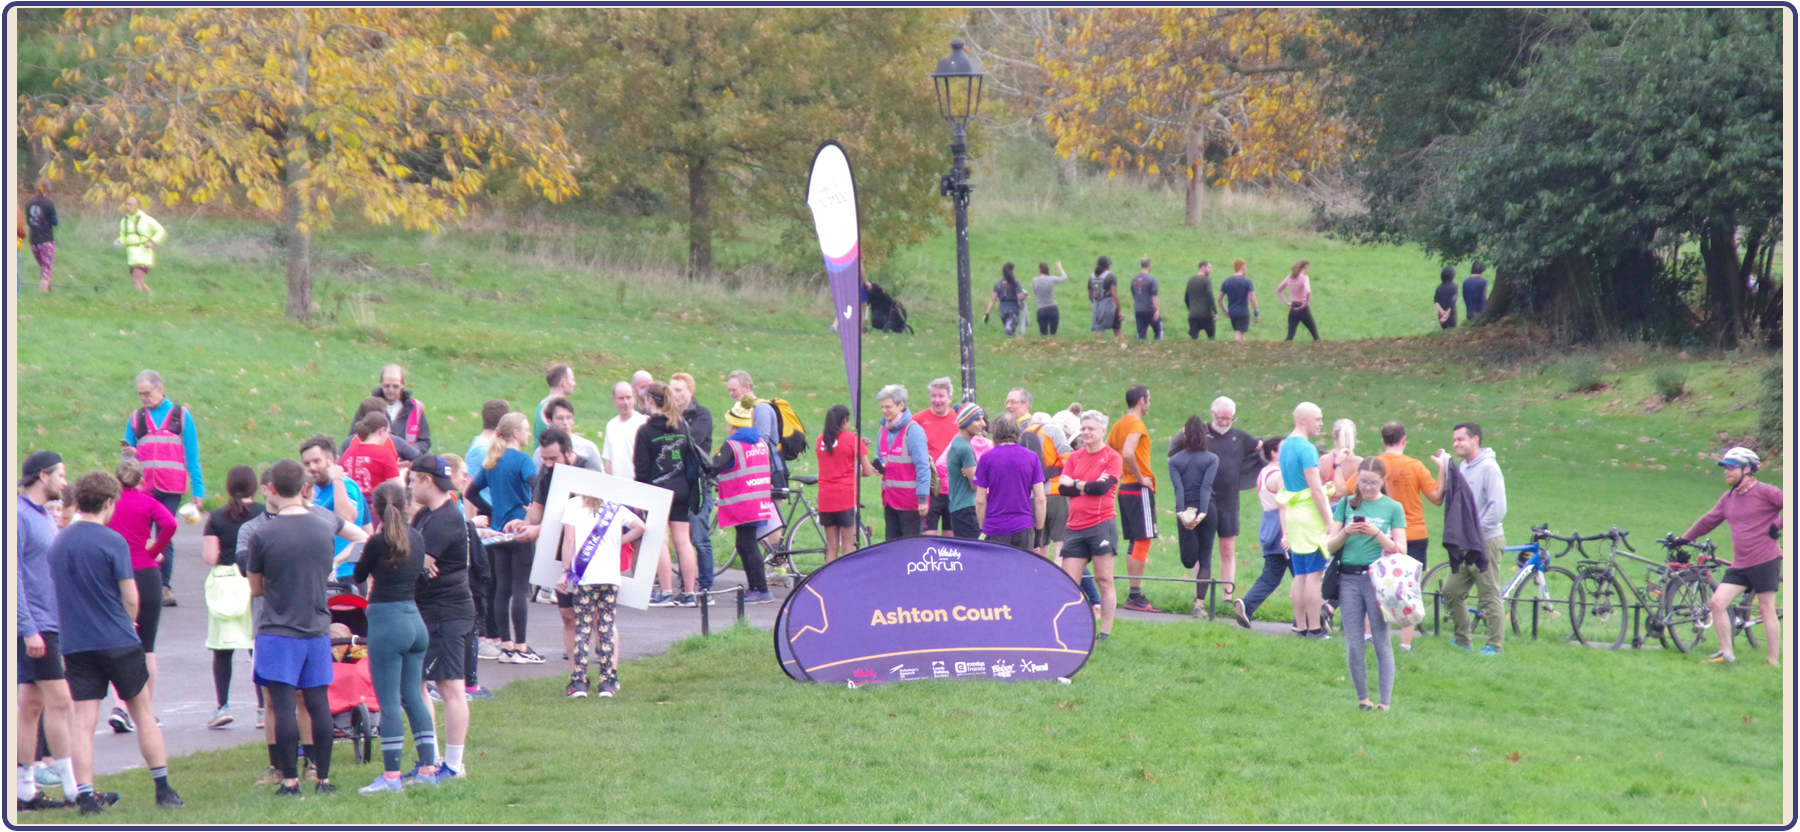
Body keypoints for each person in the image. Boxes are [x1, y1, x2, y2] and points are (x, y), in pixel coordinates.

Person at [49, 471, 184, 813]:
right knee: (142, 712)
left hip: (77, 643)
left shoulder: (60, 541)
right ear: (109, 503)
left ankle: (85, 796)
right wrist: (127, 620)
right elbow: (130, 596)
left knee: (83, 721)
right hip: (118, 640)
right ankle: (163, 787)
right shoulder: (112, 541)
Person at [245, 458, 370, 796]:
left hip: (276, 629)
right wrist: (336, 563)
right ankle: (324, 779)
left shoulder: (262, 533)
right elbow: (361, 536)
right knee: (317, 704)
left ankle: (289, 781)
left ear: (271, 489)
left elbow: (255, 587)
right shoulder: (323, 524)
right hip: (316, 626)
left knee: (283, 705)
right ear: (305, 487)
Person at [352, 482, 441, 794]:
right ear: (407, 505)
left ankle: (391, 778)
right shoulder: (416, 538)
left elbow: (360, 576)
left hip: (387, 623)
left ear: (375, 509)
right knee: (413, 697)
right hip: (414, 621)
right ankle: (428, 769)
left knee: (389, 703)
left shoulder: (377, 542)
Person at [17, 451, 80, 810]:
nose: (64, 482)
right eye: (60, 475)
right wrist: (28, 629)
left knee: (31, 705)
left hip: (49, 622)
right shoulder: (18, 516)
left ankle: (23, 790)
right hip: (36, 626)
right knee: (60, 701)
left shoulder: (44, 516)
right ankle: (74, 788)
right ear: (43, 476)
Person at [1679, 447, 1783, 666]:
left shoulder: (1765, 491)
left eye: (1731, 468)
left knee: (1766, 609)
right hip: (1741, 563)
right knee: (1717, 603)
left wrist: (1777, 525)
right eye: (1725, 468)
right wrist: (1684, 539)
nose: (1726, 472)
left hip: (1765, 558)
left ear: (1747, 469)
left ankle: (1772, 662)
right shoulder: (1728, 498)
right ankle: (1727, 655)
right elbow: (1708, 520)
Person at [408, 455, 478, 778]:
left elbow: (411, 565)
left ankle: (453, 765)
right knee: (417, 683)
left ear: (428, 481)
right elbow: (411, 559)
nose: (409, 486)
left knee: (450, 686)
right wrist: (415, 560)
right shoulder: (425, 515)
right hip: (427, 611)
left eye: (412, 480)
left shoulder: (447, 518)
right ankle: (429, 759)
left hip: (448, 613)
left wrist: (415, 561)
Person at [1325, 458, 1406, 711]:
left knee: (1381, 641)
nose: (1367, 487)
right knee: (1354, 643)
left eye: (1372, 482)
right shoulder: (1346, 504)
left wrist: (1377, 534)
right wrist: (1346, 531)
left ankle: (1385, 702)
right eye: (1362, 482)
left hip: (1377, 581)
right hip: (1348, 579)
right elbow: (1329, 546)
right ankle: (1363, 699)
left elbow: (1400, 549)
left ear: (1383, 481)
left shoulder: (1393, 507)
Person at [122, 369, 204, 607]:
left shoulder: (182, 416)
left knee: (164, 536)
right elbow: (127, 456)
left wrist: (197, 489)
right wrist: (128, 454)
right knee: (140, 535)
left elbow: (192, 454)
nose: (144, 398)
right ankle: (139, 582)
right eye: (140, 394)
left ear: (161, 389)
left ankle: (164, 586)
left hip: (171, 487)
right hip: (143, 487)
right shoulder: (136, 418)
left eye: (147, 393)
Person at [104, 459, 177, 726]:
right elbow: (169, 523)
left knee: (118, 642)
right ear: (140, 479)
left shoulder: (109, 503)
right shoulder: (147, 502)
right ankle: (144, 711)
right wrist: (154, 551)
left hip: (116, 573)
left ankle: (119, 706)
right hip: (146, 572)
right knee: (147, 646)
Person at [512, 428, 588, 663]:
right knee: (567, 614)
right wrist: (523, 524)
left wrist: (538, 530)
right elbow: (537, 509)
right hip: (560, 553)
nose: (548, 464)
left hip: (588, 551)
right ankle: (577, 672)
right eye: (544, 458)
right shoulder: (547, 473)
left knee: (594, 616)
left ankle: (606, 669)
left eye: (553, 458)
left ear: (569, 451)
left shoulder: (588, 472)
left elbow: (583, 519)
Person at [472, 412, 543, 661]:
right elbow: (536, 485)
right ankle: (521, 646)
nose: (528, 433)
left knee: (502, 588)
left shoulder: (492, 460)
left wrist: (493, 512)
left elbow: (470, 492)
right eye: (525, 429)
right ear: (516, 433)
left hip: (499, 532)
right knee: (520, 589)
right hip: (521, 530)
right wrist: (531, 508)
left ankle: (505, 645)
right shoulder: (524, 460)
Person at [558, 494, 644, 698]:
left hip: (586, 577)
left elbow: (569, 540)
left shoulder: (573, 504)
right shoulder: (614, 505)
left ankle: (579, 681)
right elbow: (640, 526)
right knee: (605, 628)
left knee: (583, 627)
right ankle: (607, 682)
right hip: (610, 577)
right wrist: (619, 541)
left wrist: (564, 571)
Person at [1433, 422, 1508, 655]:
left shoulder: (1489, 468)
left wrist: (1475, 532)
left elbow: (1498, 509)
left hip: (1486, 542)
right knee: (1451, 590)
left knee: (1489, 595)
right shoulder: (1464, 467)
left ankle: (1494, 646)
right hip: (1467, 543)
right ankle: (1463, 640)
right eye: (1454, 440)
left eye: (1460, 440)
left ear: (1475, 440)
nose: (1456, 444)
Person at [1376, 422, 1449, 651]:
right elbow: (1437, 497)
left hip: (1382, 532)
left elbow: (1346, 489)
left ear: (1383, 441)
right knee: (1409, 587)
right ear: (1404, 440)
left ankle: (1372, 635)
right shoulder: (1414, 466)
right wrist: (1443, 468)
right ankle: (1405, 643)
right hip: (1414, 533)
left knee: (1377, 583)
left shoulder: (1374, 465)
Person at [200, 465, 262, 729]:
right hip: (252, 578)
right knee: (256, 646)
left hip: (225, 583)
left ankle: (222, 706)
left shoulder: (216, 517)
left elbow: (210, 557)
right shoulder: (262, 513)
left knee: (222, 649)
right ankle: (263, 708)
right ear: (254, 487)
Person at [634, 384, 702, 605]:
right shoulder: (681, 425)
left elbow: (641, 468)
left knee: (660, 541)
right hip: (682, 489)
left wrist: (640, 497)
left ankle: (665, 592)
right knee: (683, 541)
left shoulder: (646, 431)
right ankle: (690, 593)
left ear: (651, 401)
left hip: (657, 491)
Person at [1058, 410, 1123, 640]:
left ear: (1102, 431)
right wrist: (1085, 485)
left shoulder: (1112, 458)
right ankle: (1071, 630)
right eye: (1083, 428)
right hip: (1074, 526)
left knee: (1104, 580)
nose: (1085, 432)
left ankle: (1104, 632)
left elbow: (1101, 489)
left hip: (1101, 525)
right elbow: (1062, 488)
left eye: (1090, 428)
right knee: (1068, 583)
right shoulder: (1074, 457)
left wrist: (1076, 483)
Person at [714, 396, 779, 605]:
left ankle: (761, 589)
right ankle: (755, 588)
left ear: (732, 425)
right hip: (758, 500)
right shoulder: (760, 442)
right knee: (745, 544)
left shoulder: (731, 445)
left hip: (742, 503)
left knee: (748, 545)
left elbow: (715, 466)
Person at [1205, 397, 1262, 625]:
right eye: (1221, 418)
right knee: (1203, 549)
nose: (1225, 422)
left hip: (1229, 501)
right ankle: (1200, 596)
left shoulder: (1240, 437)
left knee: (1228, 549)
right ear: (1212, 414)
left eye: (1229, 418)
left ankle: (1227, 597)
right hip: (1204, 500)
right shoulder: (1201, 434)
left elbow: (1264, 447)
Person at [1279, 402, 1333, 638]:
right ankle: (1315, 627)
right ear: (1303, 420)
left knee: (1300, 573)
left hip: (1293, 513)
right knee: (1315, 575)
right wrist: (1328, 521)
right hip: (1310, 514)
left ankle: (1300, 626)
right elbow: (1315, 489)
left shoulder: (1285, 445)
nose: (1321, 423)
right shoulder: (1307, 448)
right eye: (1318, 419)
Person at [1108, 385, 1160, 612]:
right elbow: (1128, 452)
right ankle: (1135, 595)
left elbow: (1109, 451)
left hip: (1124, 488)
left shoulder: (1119, 424)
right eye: (1149, 399)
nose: (1150, 403)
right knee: (1143, 540)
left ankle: (1133, 594)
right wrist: (1140, 477)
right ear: (1141, 401)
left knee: (1134, 541)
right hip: (1137, 487)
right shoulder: (1137, 424)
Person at [1004, 389, 1072, 559]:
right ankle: (1059, 585)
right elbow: (1068, 459)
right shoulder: (1052, 430)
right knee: (1060, 549)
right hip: (1056, 492)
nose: (1008, 406)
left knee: (1040, 548)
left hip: (1032, 496)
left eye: (1013, 402)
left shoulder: (1017, 434)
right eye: (1008, 402)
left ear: (1027, 406)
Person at [669, 373, 717, 600]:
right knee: (680, 538)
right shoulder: (670, 416)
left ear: (690, 391)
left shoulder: (702, 415)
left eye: (679, 390)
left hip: (698, 484)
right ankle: (685, 582)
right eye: (672, 390)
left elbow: (689, 442)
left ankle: (706, 585)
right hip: (678, 485)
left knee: (699, 538)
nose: (675, 394)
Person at [298, 434, 369, 584]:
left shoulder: (346, 485)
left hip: (345, 572)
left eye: (317, 461)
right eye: (307, 463)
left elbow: (346, 518)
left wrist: (337, 479)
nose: (312, 468)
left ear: (331, 460)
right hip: (319, 573)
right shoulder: (311, 491)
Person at [1167, 416, 1219, 618]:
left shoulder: (1175, 460)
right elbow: (1206, 487)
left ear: (1185, 435)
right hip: (1208, 509)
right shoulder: (1212, 458)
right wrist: (1204, 512)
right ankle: (1200, 604)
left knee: (1189, 560)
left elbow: (1178, 488)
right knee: (1204, 558)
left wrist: (1182, 513)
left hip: (1187, 510)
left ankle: (1199, 604)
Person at [1239, 438, 1291, 627]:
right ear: (1274, 453)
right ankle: (1311, 618)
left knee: (1271, 575)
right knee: (1304, 576)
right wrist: (1287, 534)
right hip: (1282, 527)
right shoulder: (1280, 475)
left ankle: (1247, 604)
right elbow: (1283, 507)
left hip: (1268, 525)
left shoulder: (1263, 472)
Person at [815, 404, 874, 563]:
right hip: (845, 497)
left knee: (832, 548)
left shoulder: (820, 440)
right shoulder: (854, 440)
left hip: (825, 498)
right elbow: (867, 471)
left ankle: (829, 582)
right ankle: (846, 583)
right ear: (845, 421)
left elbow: (835, 451)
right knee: (848, 547)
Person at [975, 417, 1045, 550]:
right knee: (1021, 570)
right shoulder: (1032, 457)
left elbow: (980, 501)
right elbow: (1040, 499)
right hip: (1023, 526)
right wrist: (1039, 535)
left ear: (995, 433)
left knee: (997, 570)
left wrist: (982, 528)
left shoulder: (986, 458)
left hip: (995, 527)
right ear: (1017, 432)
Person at [874, 384, 931, 540]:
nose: (884, 410)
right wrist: (879, 466)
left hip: (910, 504)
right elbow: (881, 458)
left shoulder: (913, 431)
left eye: (888, 407)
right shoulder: (882, 430)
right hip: (890, 501)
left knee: (910, 549)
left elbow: (923, 466)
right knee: (892, 548)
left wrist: (922, 499)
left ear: (901, 406)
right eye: (882, 407)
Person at [912, 378, 959, 536]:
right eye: (933, 396)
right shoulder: (918, 420)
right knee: (927, 538)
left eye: (941, 396)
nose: (937, 400)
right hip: (930, 490)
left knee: (951, 540)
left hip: (954, 489)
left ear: (950, 398)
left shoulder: (959, 420)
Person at [943, 403, 989, 539]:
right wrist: (984, 473)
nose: (983, 424)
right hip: (967, 508)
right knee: (976, 553)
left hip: (958, 507)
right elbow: (975, 484)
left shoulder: (958, 442)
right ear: (966, 422)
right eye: (977, 419)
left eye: (982, 419)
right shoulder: (964, 448)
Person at [368, 365, 431, 457]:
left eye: (395, 386)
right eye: (386, 386)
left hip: (407, 465)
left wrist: (407, 451)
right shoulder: (369, 406)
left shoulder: (416, 407)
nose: (391, 390)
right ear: (380, 383)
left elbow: (425, 443)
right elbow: (354, 438)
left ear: (403, 384)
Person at [531, 397, 604, 472]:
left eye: (568, 418)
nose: (565, 423)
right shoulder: (540, 452)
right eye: (560, 418)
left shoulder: (588, 447)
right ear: (549, 421)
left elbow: (602, 475)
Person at [342, 412, 407, 496]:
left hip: (351, 503)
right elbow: (397, 487)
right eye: (388, 432)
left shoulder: (349, 452)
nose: (388, 437)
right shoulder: (384, 454)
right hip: (374, 504)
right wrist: (402, 475)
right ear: (382, 430)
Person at [115, 196, 166, 294]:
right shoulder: (124, 221)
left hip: (143, 253)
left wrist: (152, 242)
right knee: (140, 281)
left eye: (130, 204)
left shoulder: (146, 219)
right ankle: (150, 298)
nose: (127, 207)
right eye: (126, 204)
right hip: (131, 255)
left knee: (136, 278)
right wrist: (119, 242)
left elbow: (160, 230)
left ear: (137, 206)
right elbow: (124, 237)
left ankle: (139, 299)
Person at [601, 382, 648, 478]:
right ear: (613, 400)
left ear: (634, 397)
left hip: (638, 483)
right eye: (621, 398)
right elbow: (609, 460)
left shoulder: (643, 423)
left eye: (628, 397)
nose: (626, 402)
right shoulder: (611, 426)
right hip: (617, 484)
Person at [25, 178, 57, 293]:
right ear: (48, 190)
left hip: (34, 241)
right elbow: (55, 222)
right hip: (46, 240)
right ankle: (43, 297)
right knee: (46, 269)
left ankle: (47, 291)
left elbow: (29, 222)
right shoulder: (49, 203)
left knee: (43, 268)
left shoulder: (29, 203)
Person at [1275, 259, 1319, 341]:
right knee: (1315, 336)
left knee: (1290, 336)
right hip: (1303, 309)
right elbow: (1308, 291)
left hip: (1293, 309)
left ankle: (1283, 350)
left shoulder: (1289, 278)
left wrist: (1286, 303)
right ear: (1305, 268)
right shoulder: (1304, 278)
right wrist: (1306, 303)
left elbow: (1278, 290)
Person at [1217, 259, 1258, 342]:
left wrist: (1224, 309)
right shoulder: (1247, 281)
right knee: (1239, 334)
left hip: (1232, 312)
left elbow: (1219, 299)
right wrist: (1256, 312)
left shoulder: (1227, 281)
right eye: (1245, 267)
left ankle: (1240, 353)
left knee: (1240, 333)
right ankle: (1236, 352)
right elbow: (1252, 298)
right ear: (1242, 267)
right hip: (1243, 312)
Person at [983, 263, 1028, 337]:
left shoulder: (998, 284)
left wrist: (987, 313)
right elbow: (1020, 297)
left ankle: (1010, 342)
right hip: (1013, 309)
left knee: (1010, 329)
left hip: (1002, 311)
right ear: (1012, 271)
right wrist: (1025, 295)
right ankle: (1009, 342)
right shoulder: (1016, 283)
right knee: (1009, 330)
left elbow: (993, 300)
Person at [535, 364, 577, 439]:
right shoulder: (552, 406)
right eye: (572, 379)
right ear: (563, 382)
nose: (574, 384)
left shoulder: (542, 404)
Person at [1088, 255, 1122, 339]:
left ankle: (1098, 348)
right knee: (1117, 330)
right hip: (1109, 306)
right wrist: (1119, 310)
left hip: (1097, 306)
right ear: (1108, 265)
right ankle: (1120, 348)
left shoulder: (1092, 277)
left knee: (1099, 331)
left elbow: (1090, 295)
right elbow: (1114, 294)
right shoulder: (1111, 277)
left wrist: (1097, 304)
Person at [1129, 257, 1163, 340]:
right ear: (1149, 265)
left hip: (1138, 310)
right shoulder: (1151, 279)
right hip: (1150, 310)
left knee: (1141, 334)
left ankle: (1141, 350)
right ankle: (1157, 348)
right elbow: (1154, 296)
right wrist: (1157, 310)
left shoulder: (1134, 279)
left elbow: (1134, 296)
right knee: (1158, 330)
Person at [1031, 261, 1068, 336]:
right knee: (1053, 334)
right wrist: (1060, 267)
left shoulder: (1034, 280)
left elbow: (1036, 293)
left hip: (1041, 309)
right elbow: (1064, 278)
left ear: (1040, 270)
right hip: (1052, 308)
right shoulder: (1051, 279)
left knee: (1043, 334)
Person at [1184, 261, 1217, 340]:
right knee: (1211, 337)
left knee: (1194, 338)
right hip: (1206, 315)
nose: (1211, 270)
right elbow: (1210, 296)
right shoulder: (1206, 280)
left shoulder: (1191, 280)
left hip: (1193, 315)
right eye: (1209, 267)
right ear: (1202, 267)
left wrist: (1190, 309)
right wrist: (1215, 312)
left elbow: (1186, 298)